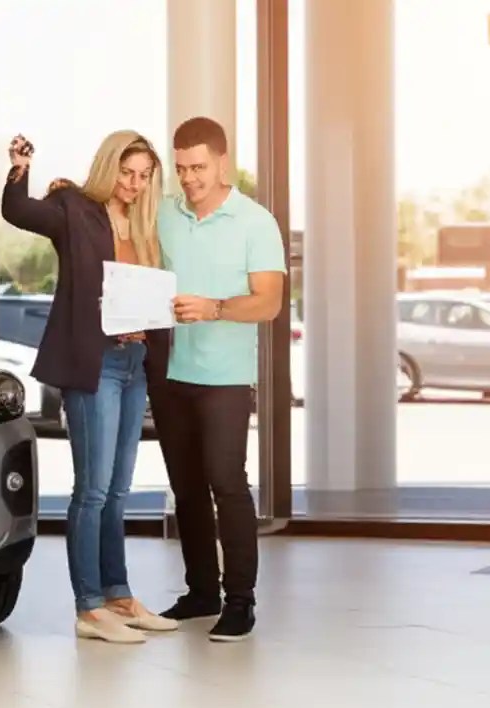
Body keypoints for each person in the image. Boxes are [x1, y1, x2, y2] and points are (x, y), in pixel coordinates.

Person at [1, 130, 179, 643]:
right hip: (93, 365)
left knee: (119, 489)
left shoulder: (148, 227)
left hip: (135, 361)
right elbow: (18, 211)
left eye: (145, 176)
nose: (135, 184)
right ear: (108, 167)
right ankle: (89, 607)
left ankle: (118, 594)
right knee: (93, 489)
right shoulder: (73, 208)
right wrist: (19, 168)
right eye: (127, 173)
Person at [146, 116, 286, 642]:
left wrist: (215, 308)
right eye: (181, 168)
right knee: (186, 489)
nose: (189, 178)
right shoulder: (165, 213)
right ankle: (201, 591)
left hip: (225, 377)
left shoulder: (255, 221)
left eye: (199, 167)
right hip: (170, 373)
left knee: (227, 484)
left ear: (222, 161)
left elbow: (269, 302)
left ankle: (240, 601)